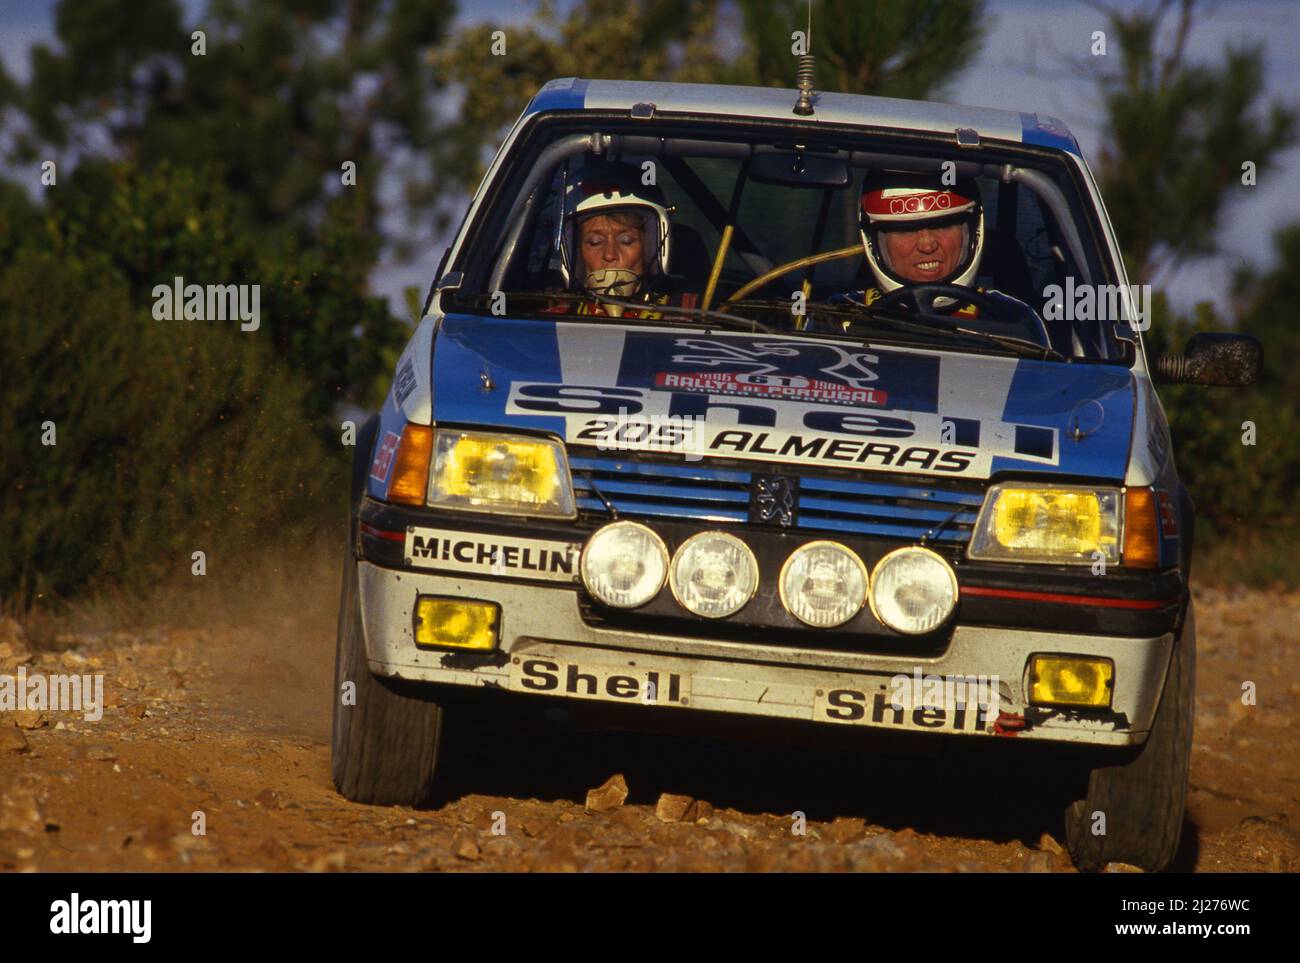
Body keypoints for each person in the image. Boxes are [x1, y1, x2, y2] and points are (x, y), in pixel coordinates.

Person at [843, 170, 1049, 344]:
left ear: (972, 233)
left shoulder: (1016, 321)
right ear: (874, 242)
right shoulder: (835, 315)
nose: (927, 245)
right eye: (905, 230)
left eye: (942, 225)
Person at [547, 162, 697, 318]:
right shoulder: (552, 324)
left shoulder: (689, 320)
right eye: (595, 242)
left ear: (650, 245)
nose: (610, 255)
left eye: (626, 241)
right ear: (575, 253)